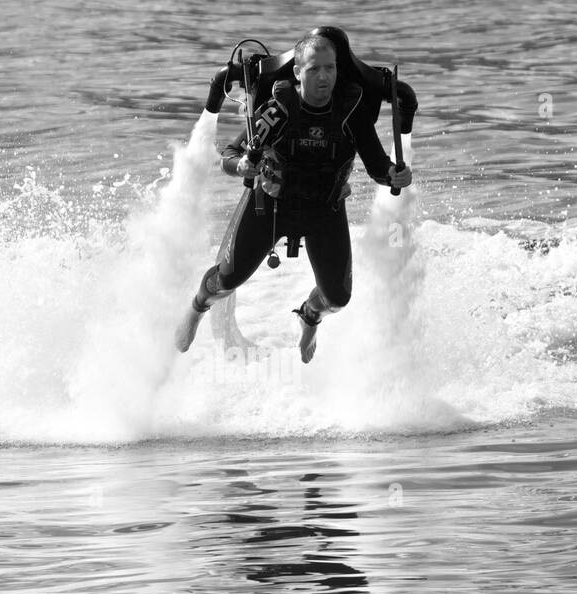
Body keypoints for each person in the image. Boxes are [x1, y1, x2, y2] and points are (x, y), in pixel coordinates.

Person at [175, 31, 413, 363]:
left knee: (338, 298)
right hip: (269, 207)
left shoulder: (350, 113)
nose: (324, 77)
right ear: (298, 72)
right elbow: (230, 154)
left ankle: (309, 317)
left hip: (324, 212)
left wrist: (394, 174)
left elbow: (377, 165)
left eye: (330, 68)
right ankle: (197, 308)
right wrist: (241, 165)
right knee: (226, 280)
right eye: (314, 69)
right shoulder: (279, 111)